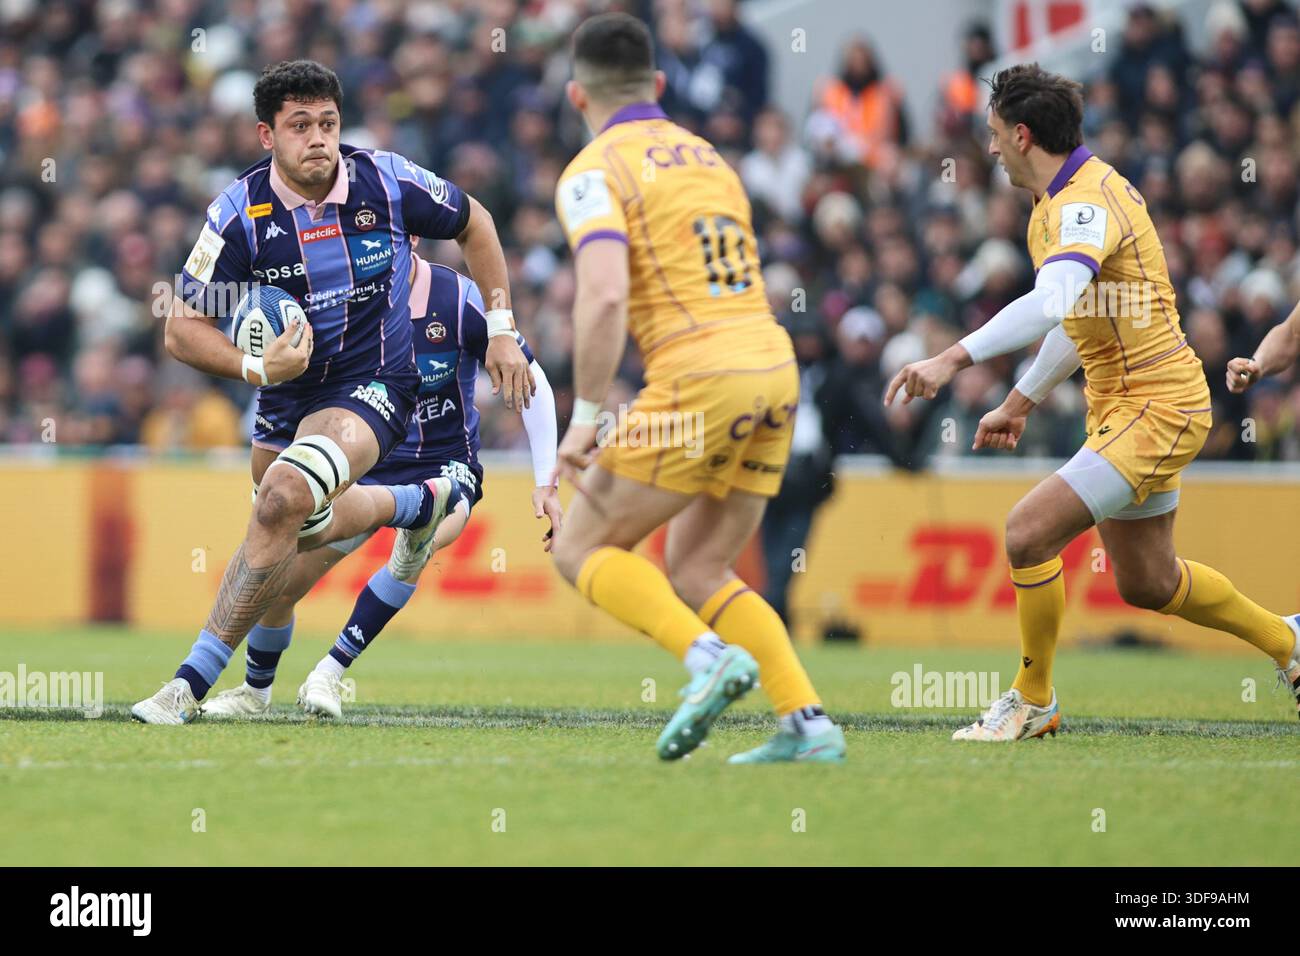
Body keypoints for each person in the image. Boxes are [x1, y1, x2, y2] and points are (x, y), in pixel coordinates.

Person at [884, 63, 1300, 740]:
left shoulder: (1084, 205)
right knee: (1148, 581)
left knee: (1026, 532)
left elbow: (1050, 302)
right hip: (1130, 408)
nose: (988, 150)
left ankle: (1033, 697)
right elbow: (1079, 319)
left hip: (1156, 406)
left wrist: (951, 356)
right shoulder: (1059, 202)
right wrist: (1020, 400)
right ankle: (1288, 641)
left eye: (994, 135)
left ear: (1022, 135)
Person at [131, 60, 533, 724]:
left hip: (375, 385)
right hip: (285, 400)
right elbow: (181, 329)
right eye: (299, 126)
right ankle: (261, 687)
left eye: (328, 123)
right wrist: (257, 370)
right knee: (281, 543)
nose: (318, 138)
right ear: (267, 136)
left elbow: (477, 223)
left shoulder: (388, 180)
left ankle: (184, 688)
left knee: (284, 500)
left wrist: (502, 328)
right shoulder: (239, 214)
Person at [547, 13, 845, 764]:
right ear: (658, 85)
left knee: (580, 545)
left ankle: (707, 661)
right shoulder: (712, 158)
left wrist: (584, 416)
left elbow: (606, 295)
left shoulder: (592, 170)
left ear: (577, 94)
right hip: (774, 372)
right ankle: (808, 725)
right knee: (700, 567)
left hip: (698, 378)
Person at [201, 252, 560, 718]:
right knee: (284, 575)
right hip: (366, 462)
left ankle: (329, 673)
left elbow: (533, 381)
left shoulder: (457, 298)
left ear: (407, 233)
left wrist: (544, 480)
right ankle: (255, 691)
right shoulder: (338, 301)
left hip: (445, 467)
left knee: (423, 540)